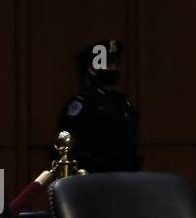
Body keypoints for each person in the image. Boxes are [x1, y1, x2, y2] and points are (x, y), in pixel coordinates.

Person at [58, 40, 143, 173]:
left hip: (125, 178)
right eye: (109, 64)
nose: (115, 68)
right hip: (94, 178)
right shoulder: (82, 104)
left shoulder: (124, 102)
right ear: (92, 68)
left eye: (116, 63)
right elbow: (70, 149)